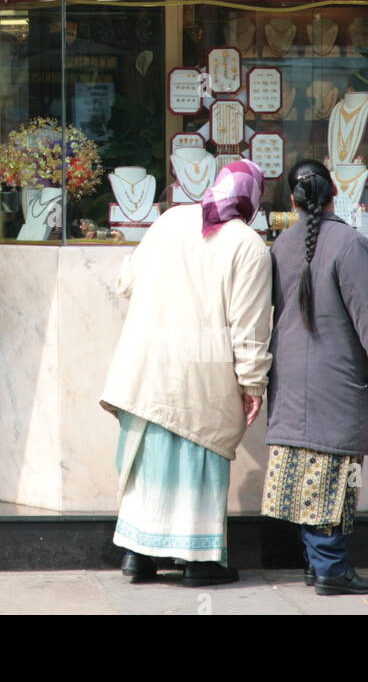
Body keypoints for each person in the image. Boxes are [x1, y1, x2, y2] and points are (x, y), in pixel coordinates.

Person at [99, 160, 273, 587]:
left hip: (147, 364)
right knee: (197, 459)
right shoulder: (248, 245)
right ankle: (199, 562)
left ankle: (138, 556)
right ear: (252, 197)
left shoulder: (169, 220)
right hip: (204, 370)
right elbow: (249, 325)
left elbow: (125, 281)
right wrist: (253, 383)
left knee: (149, 462)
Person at [261, 159, 368, 596]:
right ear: (334, 196)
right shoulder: (350, 245)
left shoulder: (280, 246)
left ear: (292, 201)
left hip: (290, 380)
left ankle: (318, 564)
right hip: (338, 382)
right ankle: (329, 568)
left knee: (313, 476)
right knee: (332, 476)